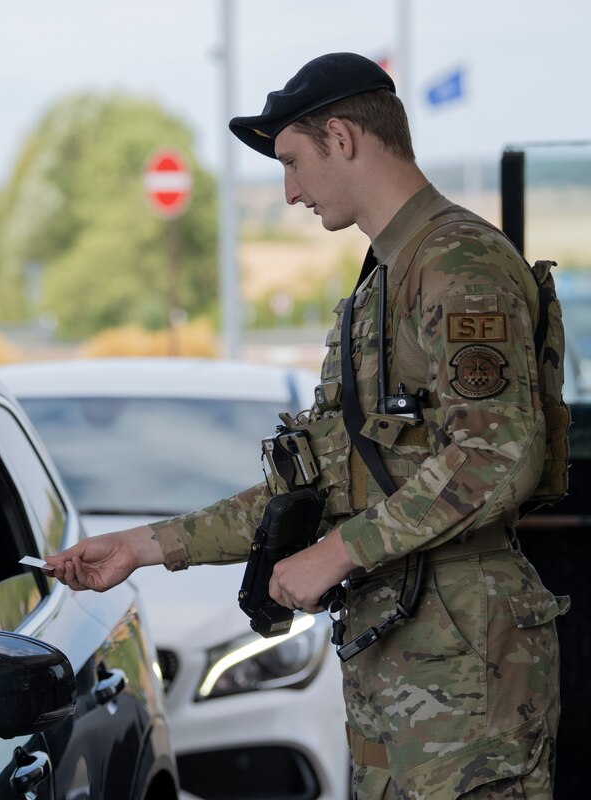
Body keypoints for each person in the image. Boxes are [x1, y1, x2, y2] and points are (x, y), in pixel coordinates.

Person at [46, 52, 567, 798]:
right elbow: (318, 482)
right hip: (406, 640)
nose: (288, 191)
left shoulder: (459, 262)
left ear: (345, 138)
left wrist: (338, 552)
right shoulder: (385, 279)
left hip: (466, 647)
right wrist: (140, 547)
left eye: (293, 161)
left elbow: (497, 458)